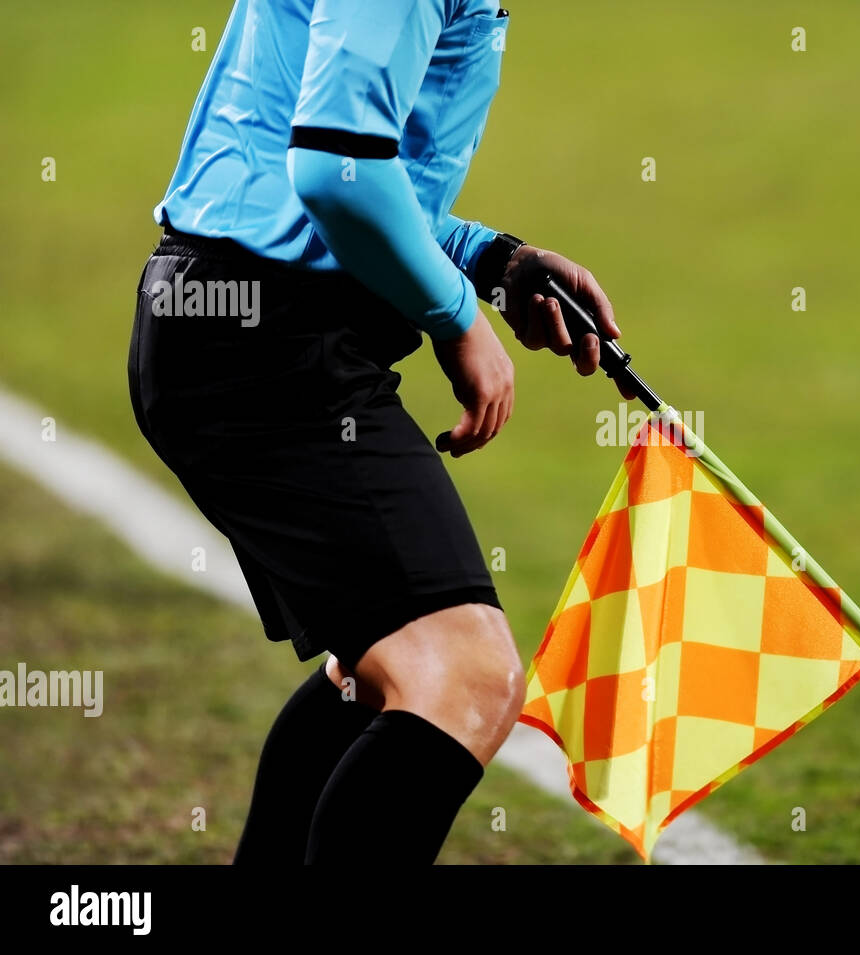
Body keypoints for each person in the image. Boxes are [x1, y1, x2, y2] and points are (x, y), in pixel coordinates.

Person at [127, 0, 626, 864]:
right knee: (461, 674)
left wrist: (491, 263)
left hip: (245, 322)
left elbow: (342, 151)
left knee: (379, 676)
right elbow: (335, 170)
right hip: (263, 340)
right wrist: (456, 316)